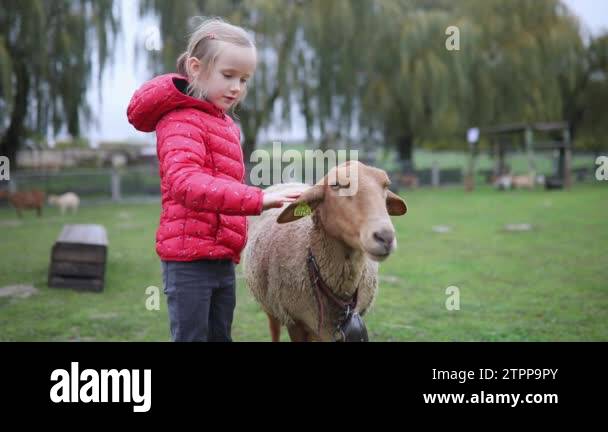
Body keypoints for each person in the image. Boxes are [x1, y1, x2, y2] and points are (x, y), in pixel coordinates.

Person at [127, 17, 299, 341]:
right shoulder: (180, 121)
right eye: (228, 75)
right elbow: (186, 184)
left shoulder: (225, 125)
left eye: (245, 79)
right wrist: (257, 199)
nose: (237, 87)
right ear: (195, 67)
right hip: (189, 261)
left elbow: (222, 185)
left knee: (220, 336)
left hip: (221, 255)